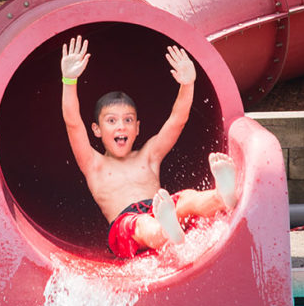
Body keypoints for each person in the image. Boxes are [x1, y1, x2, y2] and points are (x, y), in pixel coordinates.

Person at [59, 35, 237, 259]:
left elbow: (177, 120)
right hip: (126, 222)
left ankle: (222, 197)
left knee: (187, 199)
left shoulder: (149, 156)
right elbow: (73, 123)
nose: (121, 127)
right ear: (96, 130)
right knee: (142, 224)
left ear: (137, 128)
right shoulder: (93, 163)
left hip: (161, 209)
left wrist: (187, 84)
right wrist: (69, 81)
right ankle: (166, 231)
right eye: (112, 121)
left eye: (128, 120)